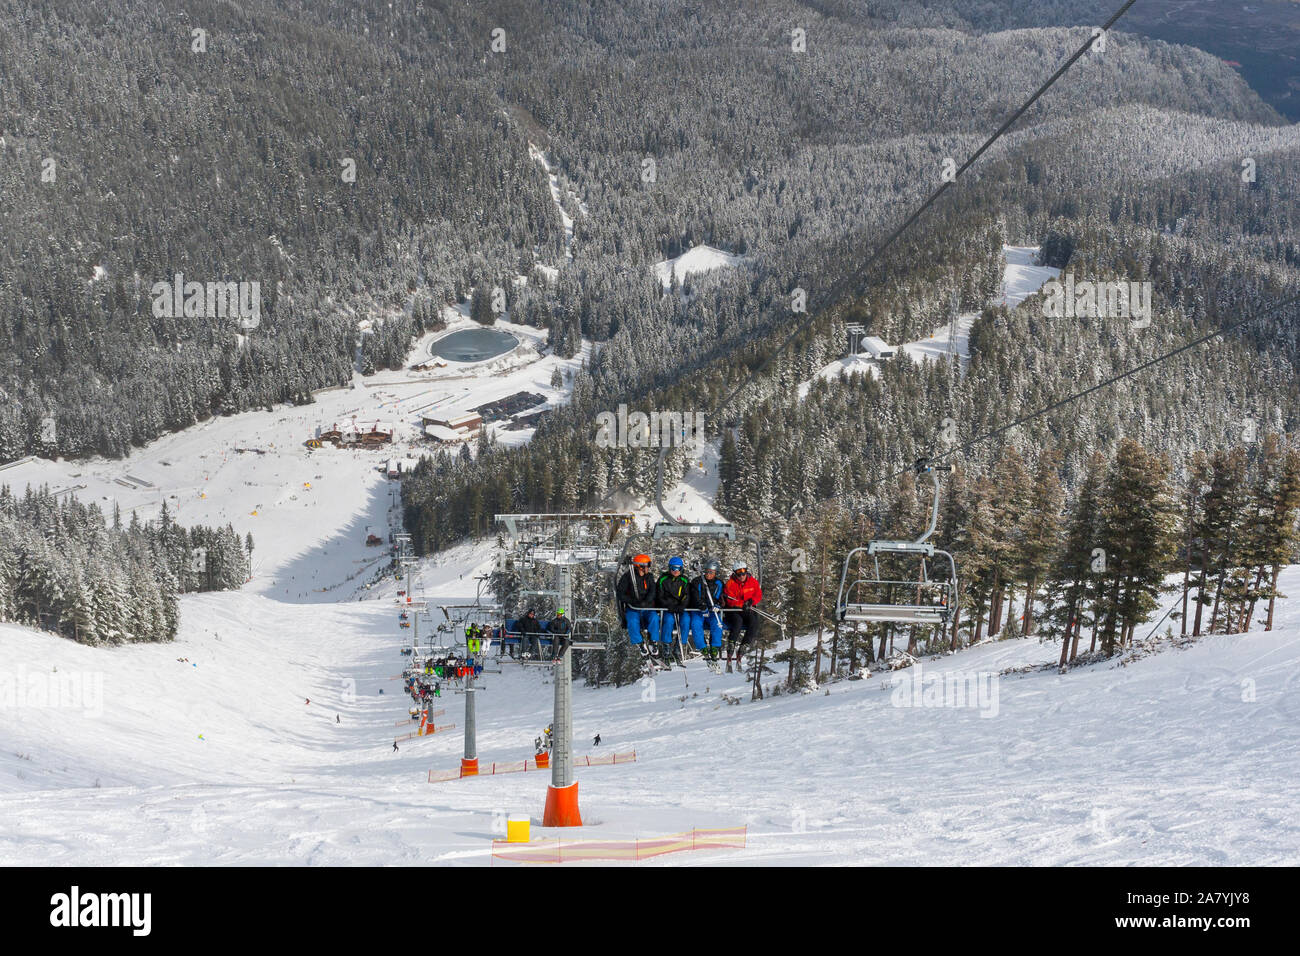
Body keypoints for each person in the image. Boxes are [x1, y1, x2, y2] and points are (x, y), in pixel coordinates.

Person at [616, 554, 660, 663]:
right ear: (639, 566)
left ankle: (653, 641)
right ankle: (640, 644)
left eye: (648, 566)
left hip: (647, 607)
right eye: (646, 566)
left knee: (654, 618)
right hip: (633, 608)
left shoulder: (649, 577)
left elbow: (653, 591)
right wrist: (633, 601)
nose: (647, 568)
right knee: (632, 621)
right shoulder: (628, 577)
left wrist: (646, 601)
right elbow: (620, 594)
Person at [687, 559, 726, 663]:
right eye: (707, 572)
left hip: (712, 610)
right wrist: (701, 606)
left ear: (715, 573)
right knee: (696, 624)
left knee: (717, 623)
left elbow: (722, 597)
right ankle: (702, 647)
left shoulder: (719, 583)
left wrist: (718, 604)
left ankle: (715, 647)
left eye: (711, 572)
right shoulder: (697, 581)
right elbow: (695, 596)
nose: (709, 574)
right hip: (698, 610)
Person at [724, 560, 763, 665]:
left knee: (754, 623)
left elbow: (758, 594)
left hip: (748, 609)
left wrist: (751, 601)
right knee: (738, 622)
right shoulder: (730, 584)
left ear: (746, 571)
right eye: (738, 573)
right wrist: (742, 604)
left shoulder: (752, 582)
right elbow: (730, 600)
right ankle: (731, 644)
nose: (741, 575)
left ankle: (744, 645)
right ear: (734, 573)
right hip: (734, 610)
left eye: (743, 572)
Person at [656, 556, 690, 663]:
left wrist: (682, 605)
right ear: (669, 568)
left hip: (680, 608)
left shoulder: (684, 580)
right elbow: (659, 595)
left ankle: (678, 646)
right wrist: (668, 604)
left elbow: (687, 595)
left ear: (681, 569)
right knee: (668, 620)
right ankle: (666, 647)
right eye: (673, 568)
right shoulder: (663, 579)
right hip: (668, 608)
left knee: (686, 620)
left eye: (678, 569)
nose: (676, 571)